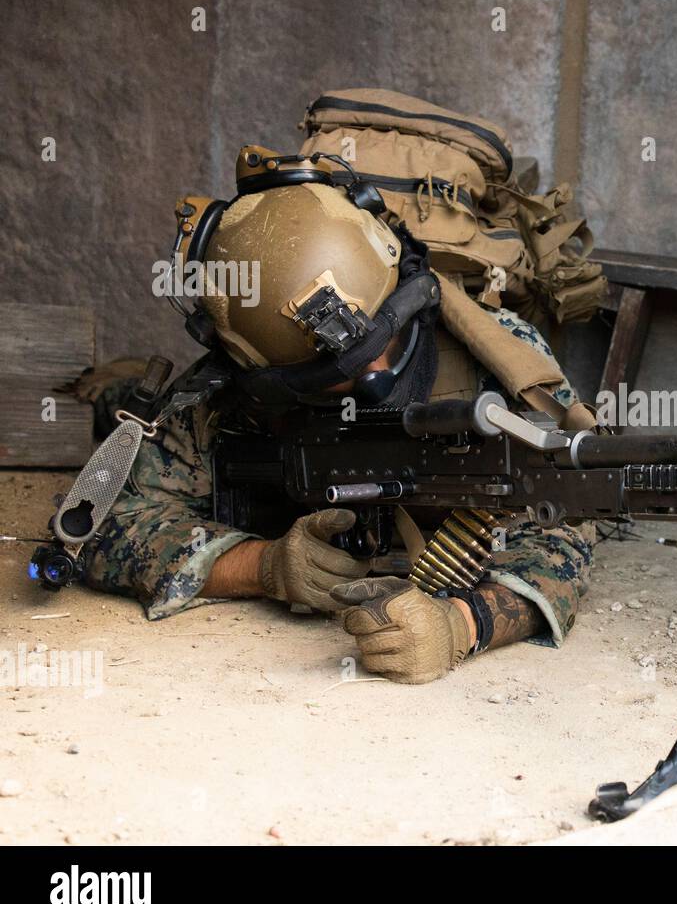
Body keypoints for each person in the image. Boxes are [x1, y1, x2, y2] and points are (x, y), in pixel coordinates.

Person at [82, 146, 594, 684]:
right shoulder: (223, 396)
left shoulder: (502, 357)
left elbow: (568, 521)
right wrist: (261, 567)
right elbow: (99, 522)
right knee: (110, 398)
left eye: (388, 333)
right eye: (333, 374)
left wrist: (464, 624)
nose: (375, 374)